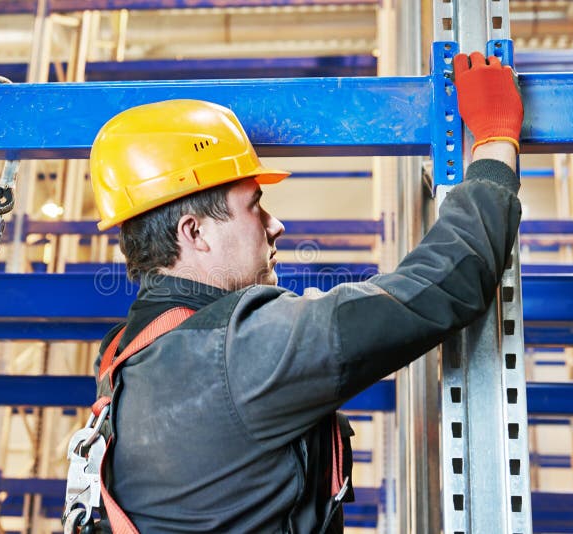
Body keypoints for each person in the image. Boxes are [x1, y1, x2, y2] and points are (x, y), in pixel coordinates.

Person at [86, 51, 523, 533]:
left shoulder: (127, 357)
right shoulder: (238, 353)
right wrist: (496, 142)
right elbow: (443, 283)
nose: (277, 225)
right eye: (255, 207)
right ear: (195, 232)